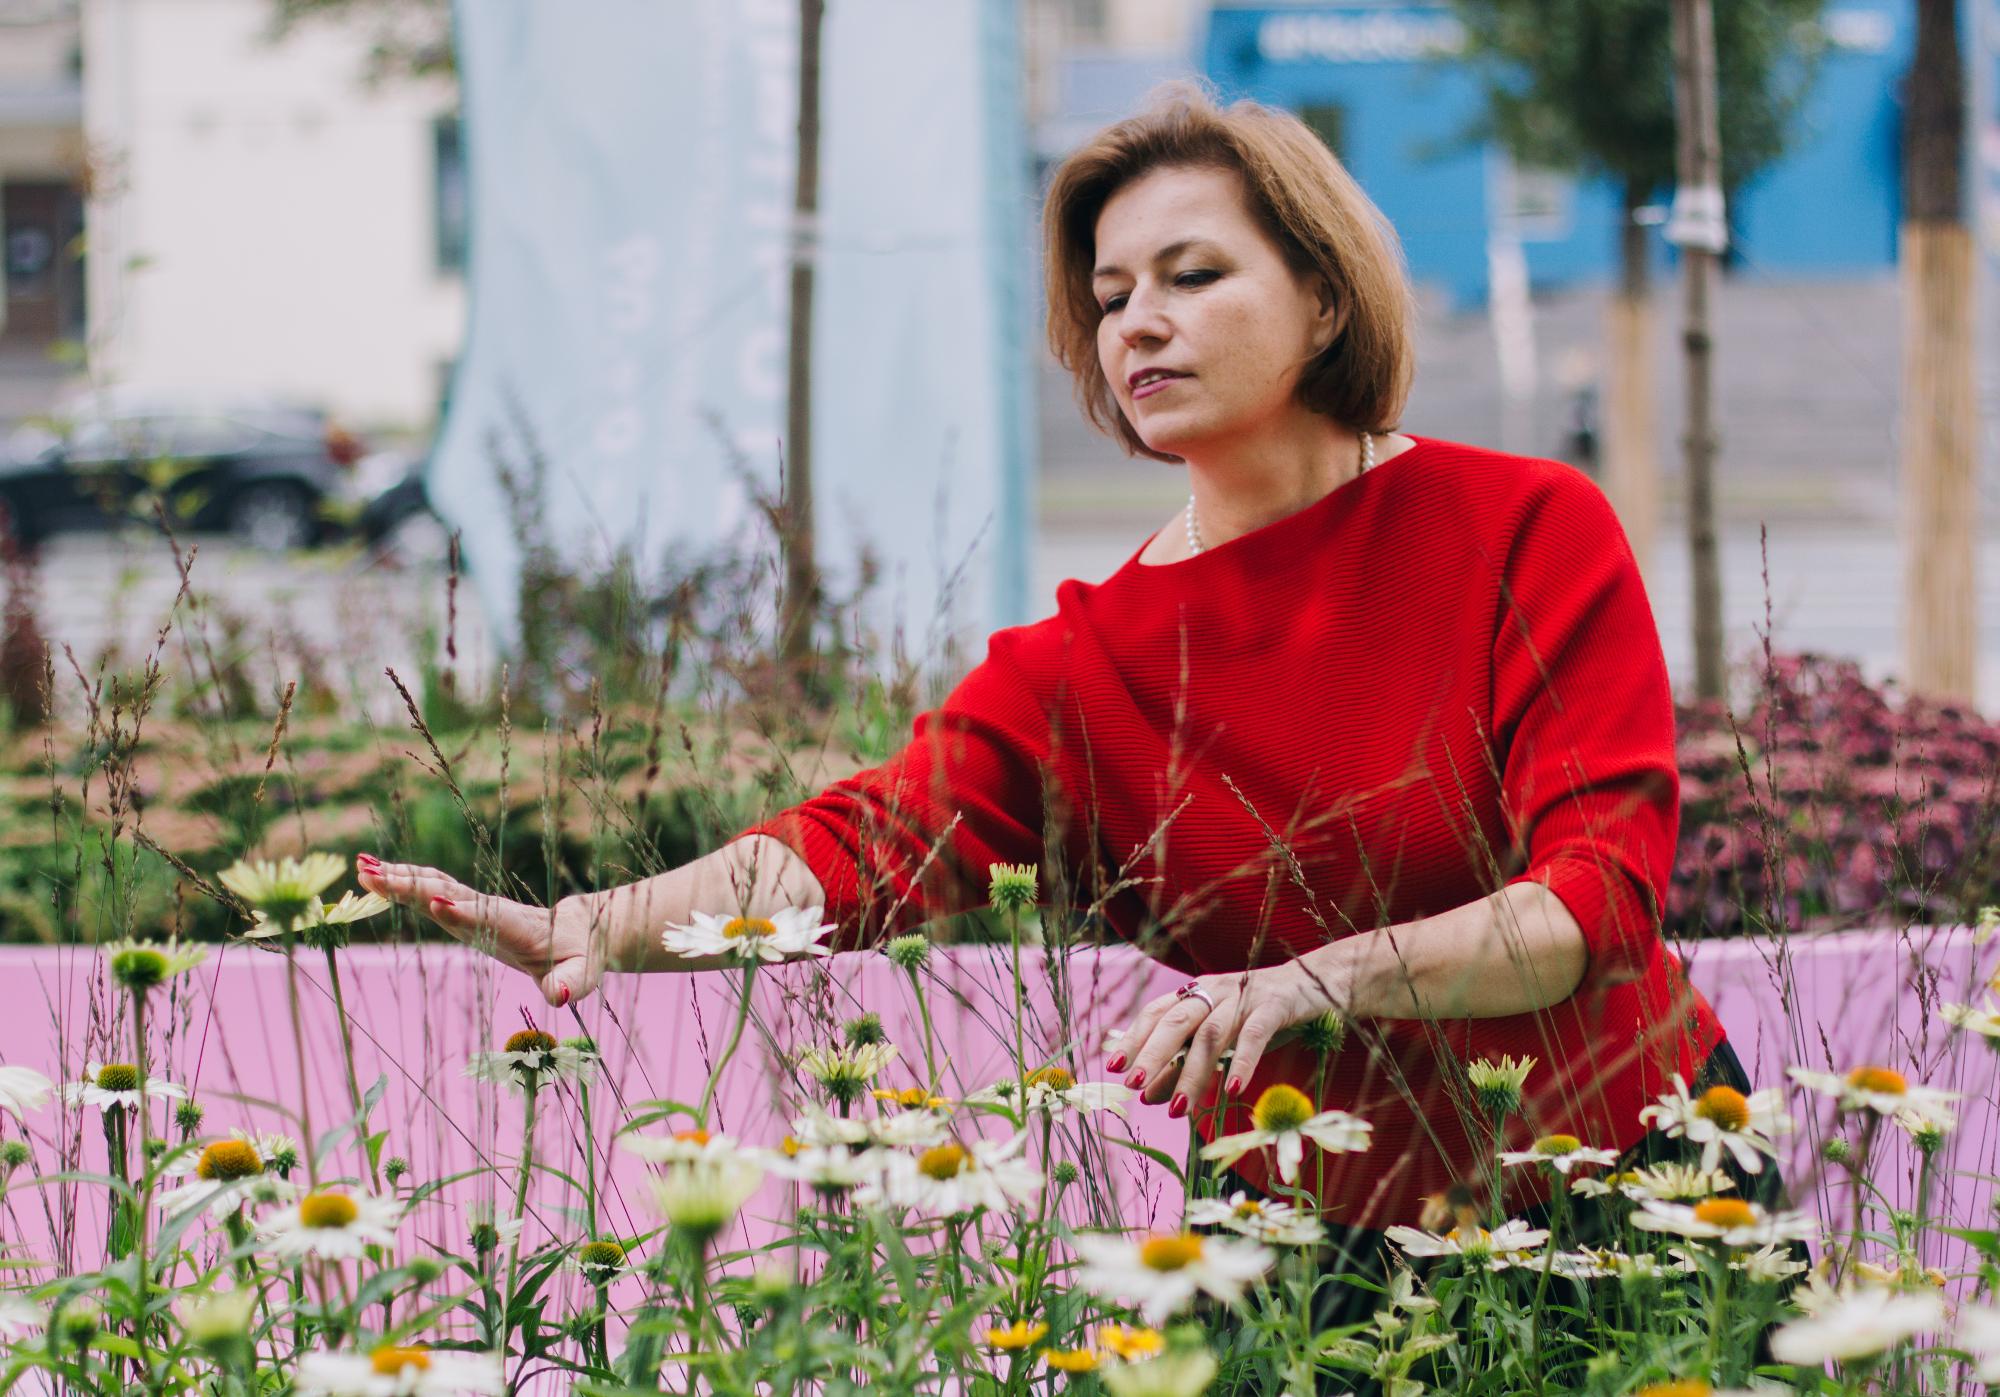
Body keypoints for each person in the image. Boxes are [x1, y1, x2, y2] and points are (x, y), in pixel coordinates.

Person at [358, 79, 1739, 1271]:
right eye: (1111, 294)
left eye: (1192, 276)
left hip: (1632, 1202)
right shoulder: (1084, 666)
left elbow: (1595, 900)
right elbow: (862, 847)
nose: (1137, 322)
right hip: (1310, 1252)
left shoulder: (1523, 528)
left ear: (1323, 296)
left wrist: (1320, 978)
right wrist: (605, 920)